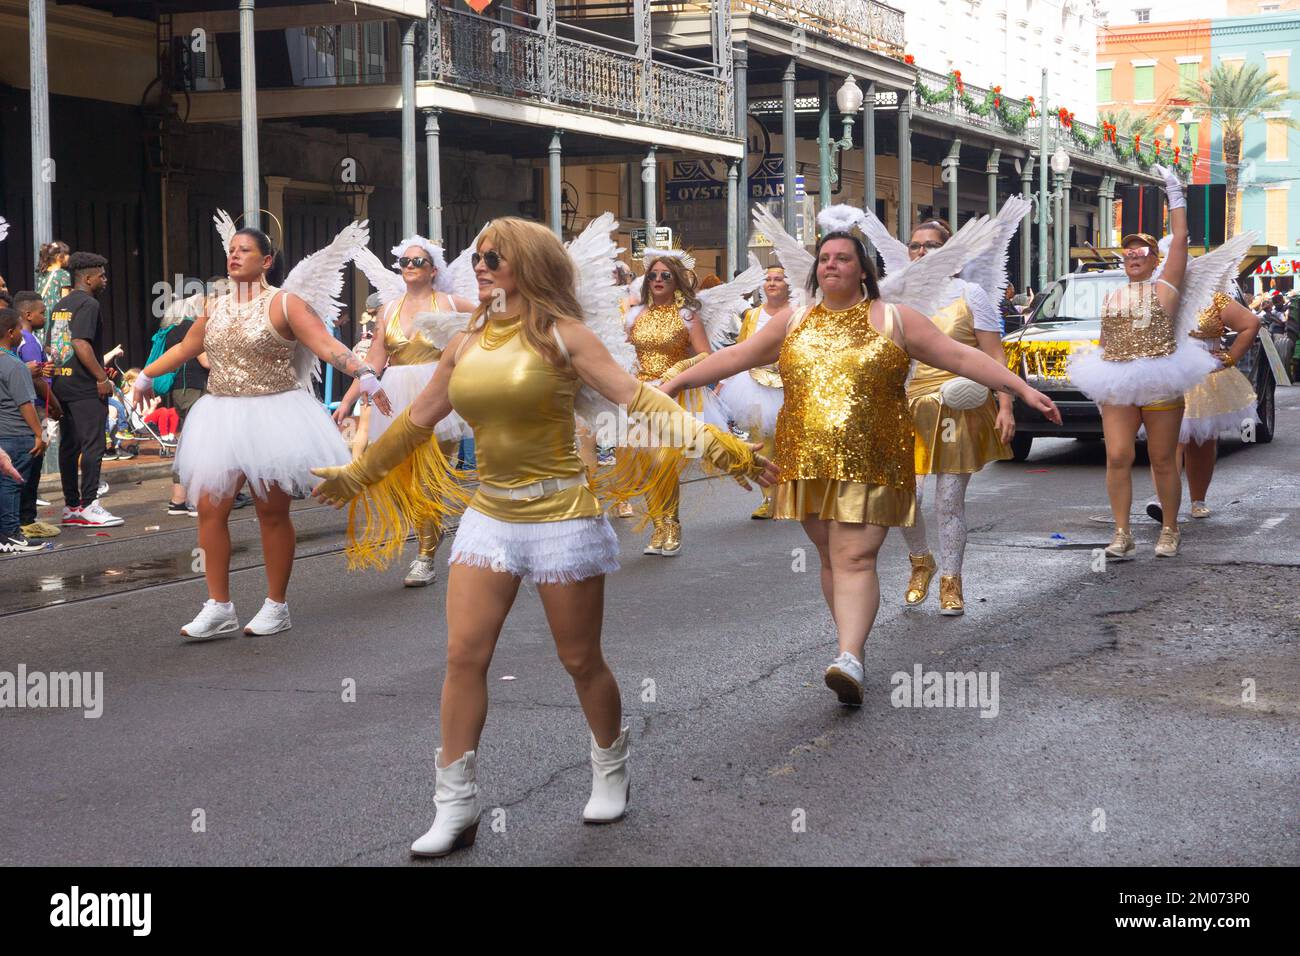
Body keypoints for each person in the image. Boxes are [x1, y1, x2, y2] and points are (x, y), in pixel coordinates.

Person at [310, 216, 771, 858]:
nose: (481, 265)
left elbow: (637, 399)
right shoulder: (466, 340)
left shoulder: (566, 335)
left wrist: (726, 449)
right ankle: (456, 804)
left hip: (562, 517)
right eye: (477, 256)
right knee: (464, 658)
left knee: (580, 660)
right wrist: (358, 474)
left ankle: (610, 766)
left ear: (526, 263)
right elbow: (418, 419)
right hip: (490, 519)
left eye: (494, 256)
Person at [662, 216, 1060, 707]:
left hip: (875, 457)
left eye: (843, 258)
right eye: (825, 259)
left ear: (863, 270)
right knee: (831, 557)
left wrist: (1017, 388)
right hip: (805, 457)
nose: (832, 264)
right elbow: (737, 357)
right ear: (815, 271)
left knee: (854, 556)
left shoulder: (895, 318)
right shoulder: (795, 320)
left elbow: (961, 358)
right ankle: (848, 647)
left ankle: (850, 656)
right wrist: (675, 383)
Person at [132, 224, 375, 639]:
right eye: (231, 249)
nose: (234, 256)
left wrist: (363, 370)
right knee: (210, 509)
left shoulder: (285, 303)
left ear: (266, 261)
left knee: (270, 511)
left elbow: (324, 345)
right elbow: (186, 348)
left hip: (273, 414)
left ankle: (276, 604)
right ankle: (218, 604)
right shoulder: (214, 305)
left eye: (244, 250)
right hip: (220, 413)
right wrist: (145, 377)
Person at [1067, 166, 1214, 560]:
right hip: (1116, 378)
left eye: (1142, 251)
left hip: (1160, 378)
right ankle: (1122, 532)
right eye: (1128, 250)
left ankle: (1169, 528)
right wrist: (1101, 389)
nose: (1133, 255)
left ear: (1155, 260)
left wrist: (1174, 192)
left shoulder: (1166, 288)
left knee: (1163, 459)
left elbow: (1180, 238)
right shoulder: (1112, 294)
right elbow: (1106, 340)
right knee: (1116, 455)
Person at [895, 215, 1018, 616]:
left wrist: (1005, 404)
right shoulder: (896, 297)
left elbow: (994, 356)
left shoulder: (970, 294)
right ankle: (920, 563)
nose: (920, 252)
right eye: (915, 245)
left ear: (949, 253)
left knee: (948, 503)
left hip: (958, 406)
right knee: (903, 499)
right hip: (907, 407)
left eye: (930, 245)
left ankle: (952, 582)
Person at [336, 236, 475, 587]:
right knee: (399, 482)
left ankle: (425, 556)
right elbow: (374, 361)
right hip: (394, 396)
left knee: (428, 481)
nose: (410, 267)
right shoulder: (389, 309)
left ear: (433, 270)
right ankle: (432, 529)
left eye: (417, 262)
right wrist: (349, 399)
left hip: (438, 393)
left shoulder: (450, 303)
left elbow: (490, 324)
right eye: (405, 262)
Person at [50, 252, 123, 528]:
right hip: (84, 387)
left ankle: (71, 507)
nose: (105, 280)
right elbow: (80, 343)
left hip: (63, 383)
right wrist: (100, 377)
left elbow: (56, 346)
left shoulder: (61, 305)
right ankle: (90, 504)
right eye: (102, 275)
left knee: (69, 446)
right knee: (94, 445)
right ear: (88, 278)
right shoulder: (89, 304)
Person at [719, 265, 793, 519]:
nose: (772, 284)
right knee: (762, 441)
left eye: (778, 280)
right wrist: (724, 380)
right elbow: (741, 349)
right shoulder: (752, 316)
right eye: (768, 280)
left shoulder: (800, 313)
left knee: (790, 441)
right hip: (755, 384)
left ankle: (793, 494)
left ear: (788, 285)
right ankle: (769, 499)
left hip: (791, 383)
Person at [12, 291, 61, 539]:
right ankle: (27, 519)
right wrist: (54, 404)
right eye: (42, 312)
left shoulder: (21, 340)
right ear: (27, 314)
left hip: (29, 406)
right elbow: (38, 378)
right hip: (37, 407)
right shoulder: (29, 341)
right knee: (34, 462)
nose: (45, 315)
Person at [0, 308, 49, 553]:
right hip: (17, 435)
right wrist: (39, 434)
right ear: (10, 333)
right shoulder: (14, 365)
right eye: (19, 329)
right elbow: (25, 404)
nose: (22, 333)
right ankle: (10, 534)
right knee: (12, 484)